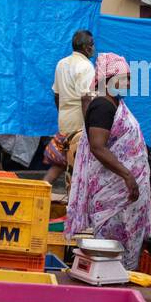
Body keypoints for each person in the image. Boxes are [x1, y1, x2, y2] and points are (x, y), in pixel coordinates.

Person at [65, 52, 151, 269]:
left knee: (122, 251)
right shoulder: (103, 106)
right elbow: (98, 146)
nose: (130, 83)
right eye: (126, 77)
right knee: (110, 253)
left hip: (124, 195)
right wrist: (128, 175)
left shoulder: (115, 105)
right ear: (110, 79)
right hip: (113, 196)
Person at [43, 29, 96, 187]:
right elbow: (86, 98)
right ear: (87, 48)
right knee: (75, 168)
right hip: (79, 124)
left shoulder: (61, 64)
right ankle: (73, 206)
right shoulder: (86, 67)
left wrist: (63, 113)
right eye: (93, 45)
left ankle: (40, 192)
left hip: (64, 121)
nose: (94, 48)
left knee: (60, 164)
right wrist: (89, 128)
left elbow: (57, 95)